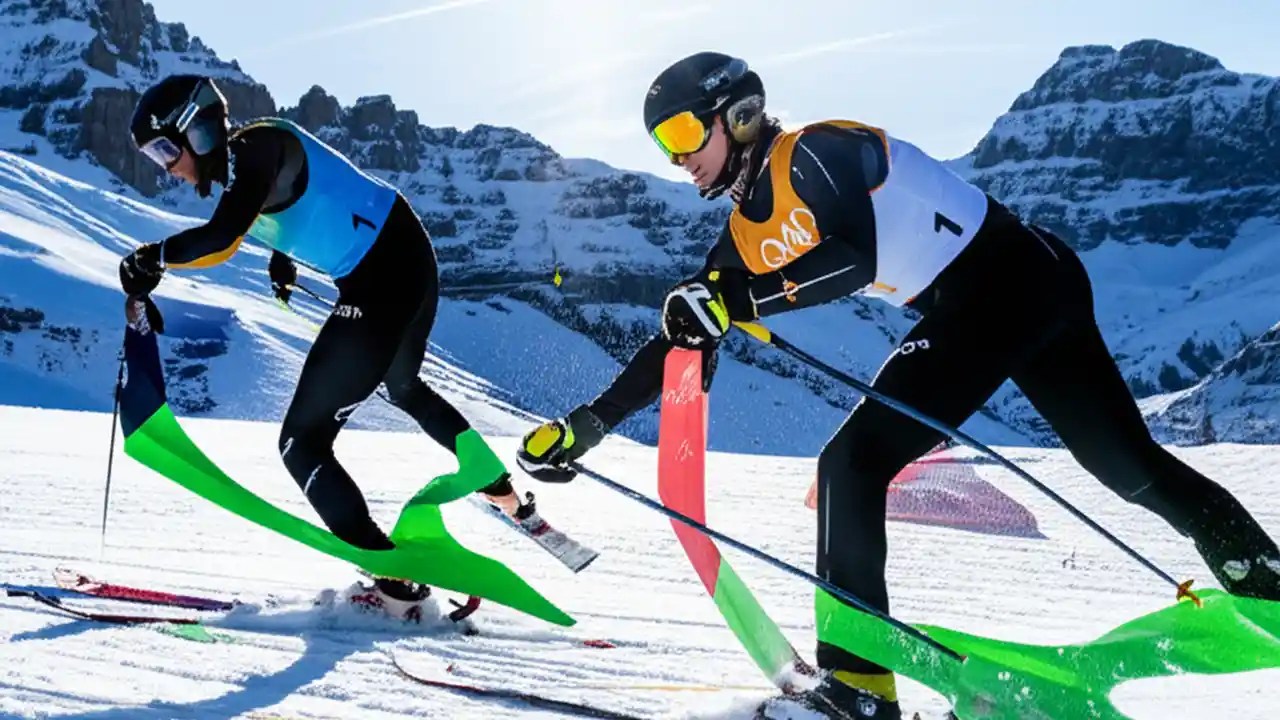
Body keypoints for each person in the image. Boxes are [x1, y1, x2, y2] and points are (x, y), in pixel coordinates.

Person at [515, 52, 1280, 718]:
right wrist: (588, 426)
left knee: (867, 465)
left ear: (739, 114)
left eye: (685, 133)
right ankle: (1269, 585)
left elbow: (852, 255)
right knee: (1125, 468)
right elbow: (686, 336)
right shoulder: (740, 236)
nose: (678, 157)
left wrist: (735, 302)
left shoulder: (814, 150)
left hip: (1006, 280)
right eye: (662, 142)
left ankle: (857, 689)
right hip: (993, 297)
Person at [117, 74, 540, 620]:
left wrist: (153, 257)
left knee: (302, 443)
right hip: (408, 257)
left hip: (380, 279)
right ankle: (499, 488)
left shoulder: (251, 150)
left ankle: (395, 583)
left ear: (196, 130)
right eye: (155, 156)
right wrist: (283, 252)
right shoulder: (255, 156)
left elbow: (220, 238)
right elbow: (313, 199)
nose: (166, 166)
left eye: (164, 149)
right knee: (405, 387)